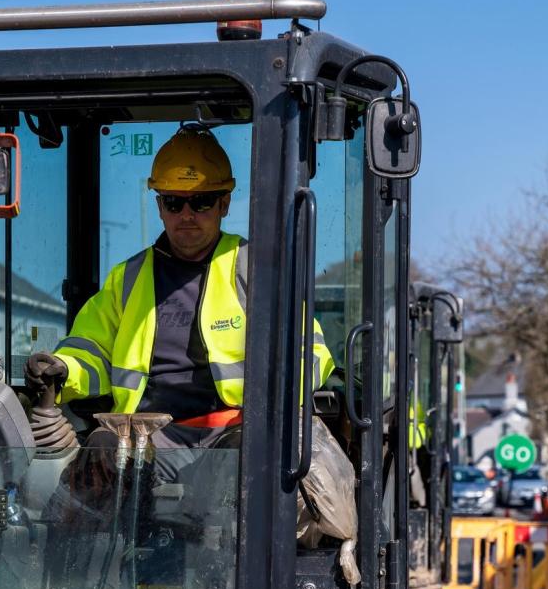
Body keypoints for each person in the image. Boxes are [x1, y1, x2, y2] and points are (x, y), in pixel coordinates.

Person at [25, 126, 334, 494]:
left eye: (201, 202)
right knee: (97, 455)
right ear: (159, 205)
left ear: (224, 203)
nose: (186, 214)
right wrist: (63, 369)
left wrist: (276, 399)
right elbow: (91, 349)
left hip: (232, 435)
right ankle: (84, 552)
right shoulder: (128, 278)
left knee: (244, 467)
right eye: (174, 202)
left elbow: (311, 351)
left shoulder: (256, 273)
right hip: (146, 440)